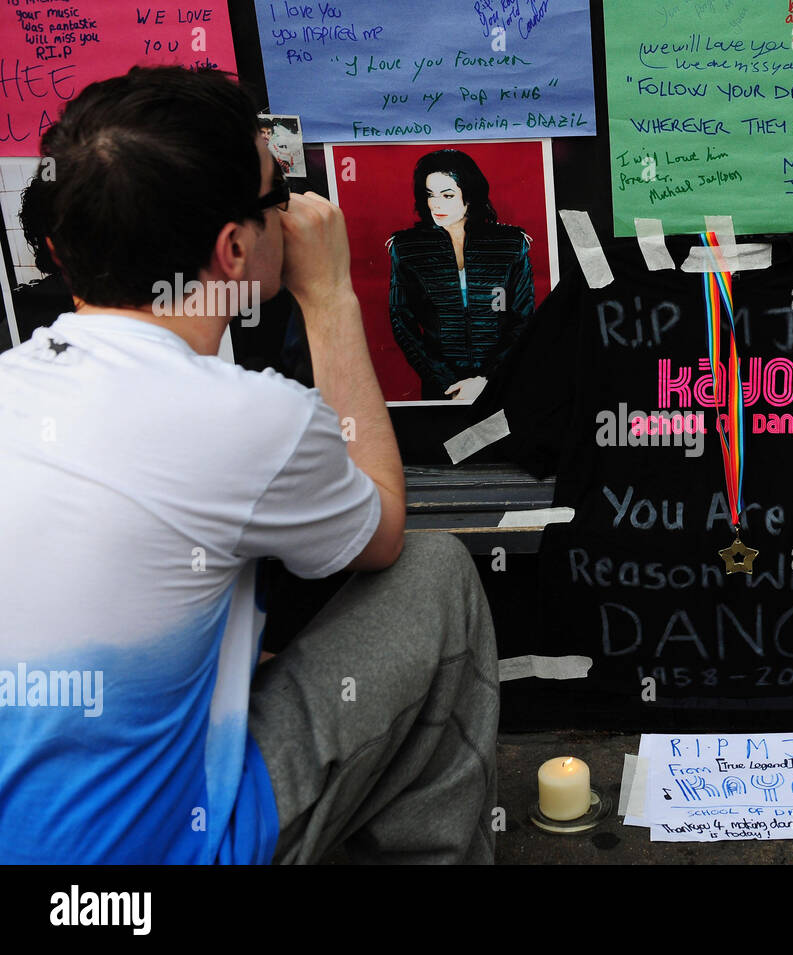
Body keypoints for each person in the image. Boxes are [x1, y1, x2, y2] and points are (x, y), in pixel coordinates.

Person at [0, 66, 499, 864]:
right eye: (279, 198)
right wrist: (332, 295)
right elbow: (382, 529)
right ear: (235, 248)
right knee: (433, 573)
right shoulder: (251, 416)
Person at [387, 149, 535, 401]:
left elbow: (522, 319)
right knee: (446, 440)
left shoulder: (510, 245)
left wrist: (486, 378)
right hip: (442, 388)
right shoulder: (407, 248)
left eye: (447, 195)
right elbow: (402, 322)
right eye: (430, 195)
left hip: (498, 384)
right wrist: (445, 381)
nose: (436, 204)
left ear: (470, 197)